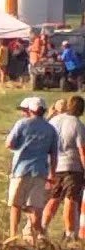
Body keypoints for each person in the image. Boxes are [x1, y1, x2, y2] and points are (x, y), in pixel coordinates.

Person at [5, 96, 58, 242]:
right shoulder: (51, 129)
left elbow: (9, 143)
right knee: (34, 207)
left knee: (15, 204)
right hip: (40, 172)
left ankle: (13, 236)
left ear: (30, 110)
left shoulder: (22, 124)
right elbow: (54, 154)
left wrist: (19, 147)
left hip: (21, 170)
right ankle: (36, 237)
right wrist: (52, 173)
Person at [43, 95, 85, 239]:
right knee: (70, 198)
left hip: (54, 166)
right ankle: (69, 232)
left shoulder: (54, 121)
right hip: (72, 167)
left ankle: (42, 227)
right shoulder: (77, 124)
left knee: (54, 198)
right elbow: (82, 150)